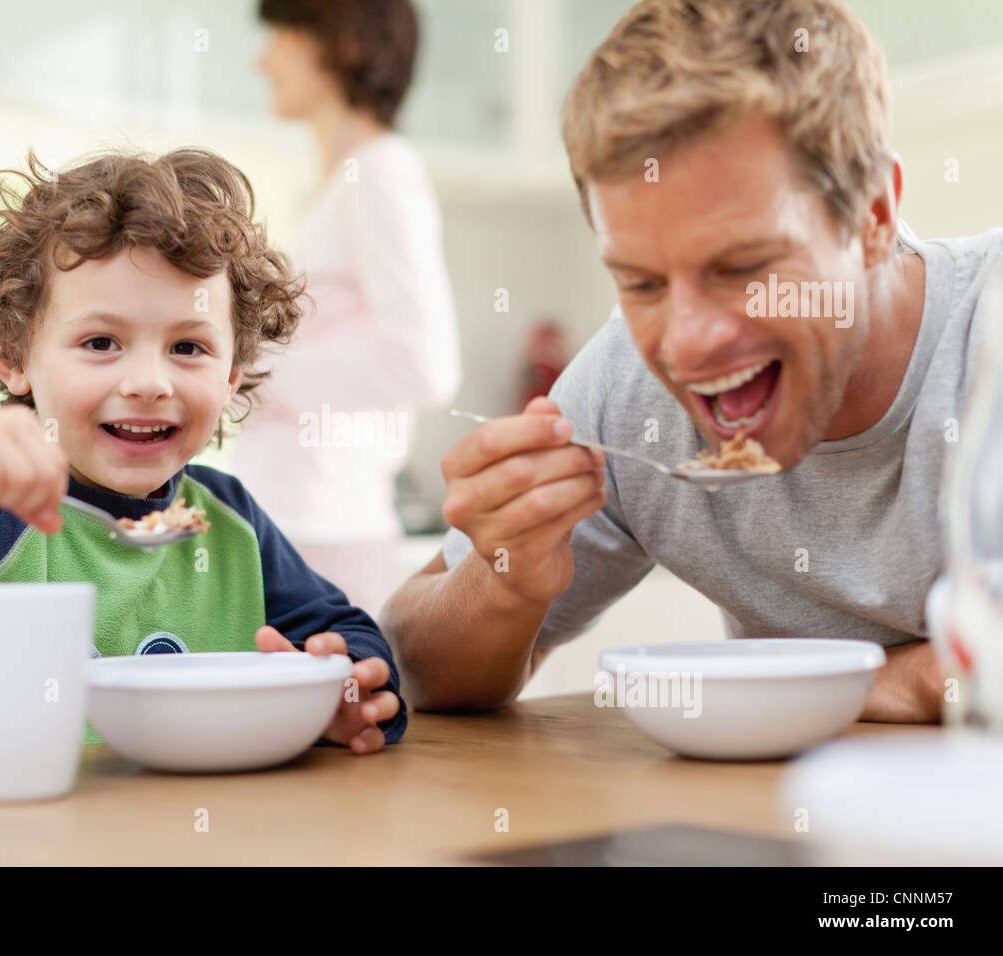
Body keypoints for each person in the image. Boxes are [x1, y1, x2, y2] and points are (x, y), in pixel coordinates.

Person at [380, 0, 1003, 722]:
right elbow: (419, 668)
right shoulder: (627, 390)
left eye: (741, 267)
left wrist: (878, 684)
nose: (685, 344)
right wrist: (504, 583)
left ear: (873, 218)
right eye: (641, 283)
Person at [0, 148, 406, 760]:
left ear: (232, 374)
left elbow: (343, 634)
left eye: (189, 347)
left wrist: (349, 689)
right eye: (101, 342)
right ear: (13, 355)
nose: (149, 381)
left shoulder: (228, 521)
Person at [233, 0, 462, 615]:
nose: (263, 59)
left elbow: (422, 362)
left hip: (325, 529)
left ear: (339, 42)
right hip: (299, 521)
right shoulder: (339, 184)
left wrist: (249, 372)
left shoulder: (383, 173)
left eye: (281, 35)